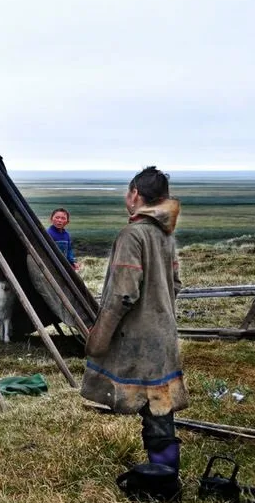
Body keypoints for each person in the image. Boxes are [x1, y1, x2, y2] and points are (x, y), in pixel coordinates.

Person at [81, 166, 187, 473]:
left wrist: (99, 337)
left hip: (138, 338)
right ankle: (164, 471)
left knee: (155, 408)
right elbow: (175, 283)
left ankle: (164, 480)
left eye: (128, 192)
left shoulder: (133, 234)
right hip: (163, 333)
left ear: (136, 194)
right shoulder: (165, 235)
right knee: (159, 402)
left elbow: (123, 295)